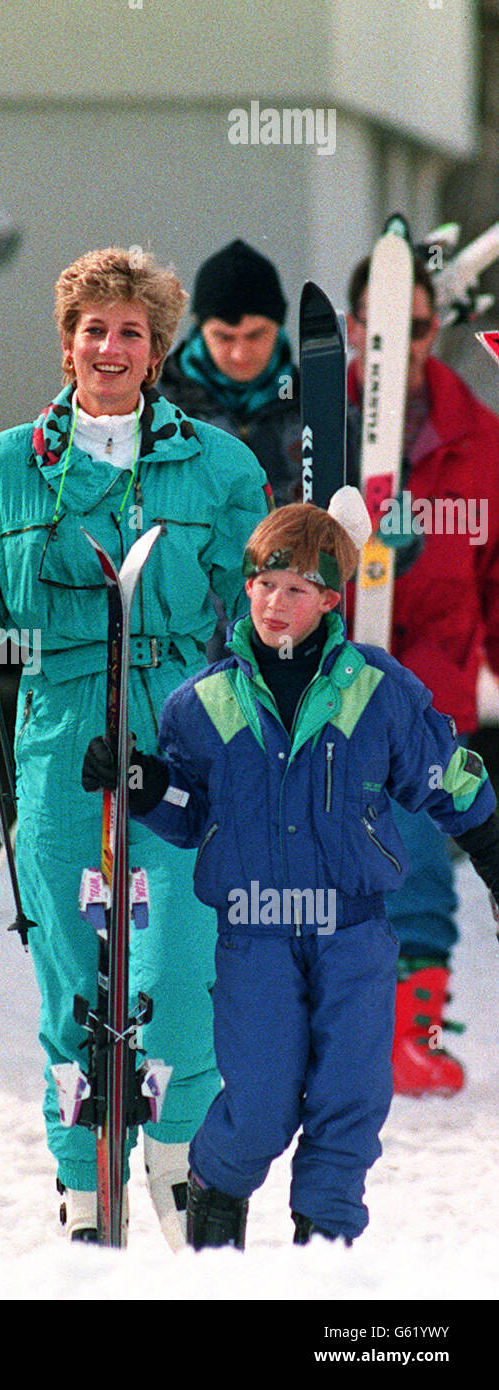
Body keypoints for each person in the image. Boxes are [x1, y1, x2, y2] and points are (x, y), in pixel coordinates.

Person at [0, 247, 271, 1246]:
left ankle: (183, 1171)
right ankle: (84, 1184)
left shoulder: (217, 464)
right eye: (92, 330)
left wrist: (325, 548)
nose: (109, 348)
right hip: (58, 723)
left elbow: (262, 612)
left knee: (180, 959)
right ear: (66, 343)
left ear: (156, 351)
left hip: (178, 722)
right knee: (72, 974)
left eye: (130, 332)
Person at [82, 495, 499, 1246]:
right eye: (264, 584)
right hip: (256, 938)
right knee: (262, 1106)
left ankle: (326, 1257)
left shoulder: (376, 690)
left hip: (355, 933)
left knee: (350, 1102)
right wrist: (142, 784)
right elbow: (187, 806)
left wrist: (495, 851)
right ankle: (213, 1201)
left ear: (333, 600)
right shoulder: (202, 703)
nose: (276, 602)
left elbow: (447, 779)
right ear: (245, 589)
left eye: (298, 589)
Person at [346, 249, 499, 1097]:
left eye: (410, 329)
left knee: (421, 857)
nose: (393, 347)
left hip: (434, 684)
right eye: (377, 328)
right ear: (352, 327)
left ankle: (416, 1031)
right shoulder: (318, 422)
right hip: (331, 674)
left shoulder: (478, 432)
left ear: (431, 327)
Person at [159, 239, 301, 507]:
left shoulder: (318, 408)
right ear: (200, 330)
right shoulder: (154, 409)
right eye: (224, 337)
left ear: (279, 326)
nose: (240, 354)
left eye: (255, 335)